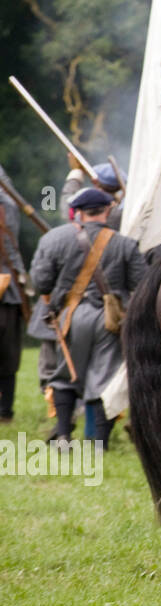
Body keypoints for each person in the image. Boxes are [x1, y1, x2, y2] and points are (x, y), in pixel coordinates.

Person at [29, 187, 146, 445]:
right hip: (111, 319)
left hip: (69, 317)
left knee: (63, 375)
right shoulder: (125, 243)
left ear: (78, 212)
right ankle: (99, 443)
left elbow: (40, 282)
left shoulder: (54, 238)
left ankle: (62, 435)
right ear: (106, 211)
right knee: (104, 376)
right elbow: (141, 284)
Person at [0, 165, 27, 424]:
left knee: (8, 355)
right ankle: (5, 410)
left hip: (6, 289)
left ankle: (5, 411)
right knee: (7, 355)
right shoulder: (8, 203)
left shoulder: (6, 205)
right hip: (7, 290)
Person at [61, 160, 126, 229]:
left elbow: (67, 207)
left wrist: (76, 173)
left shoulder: (110, 212)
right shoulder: (122, 210)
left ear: (94, 181)